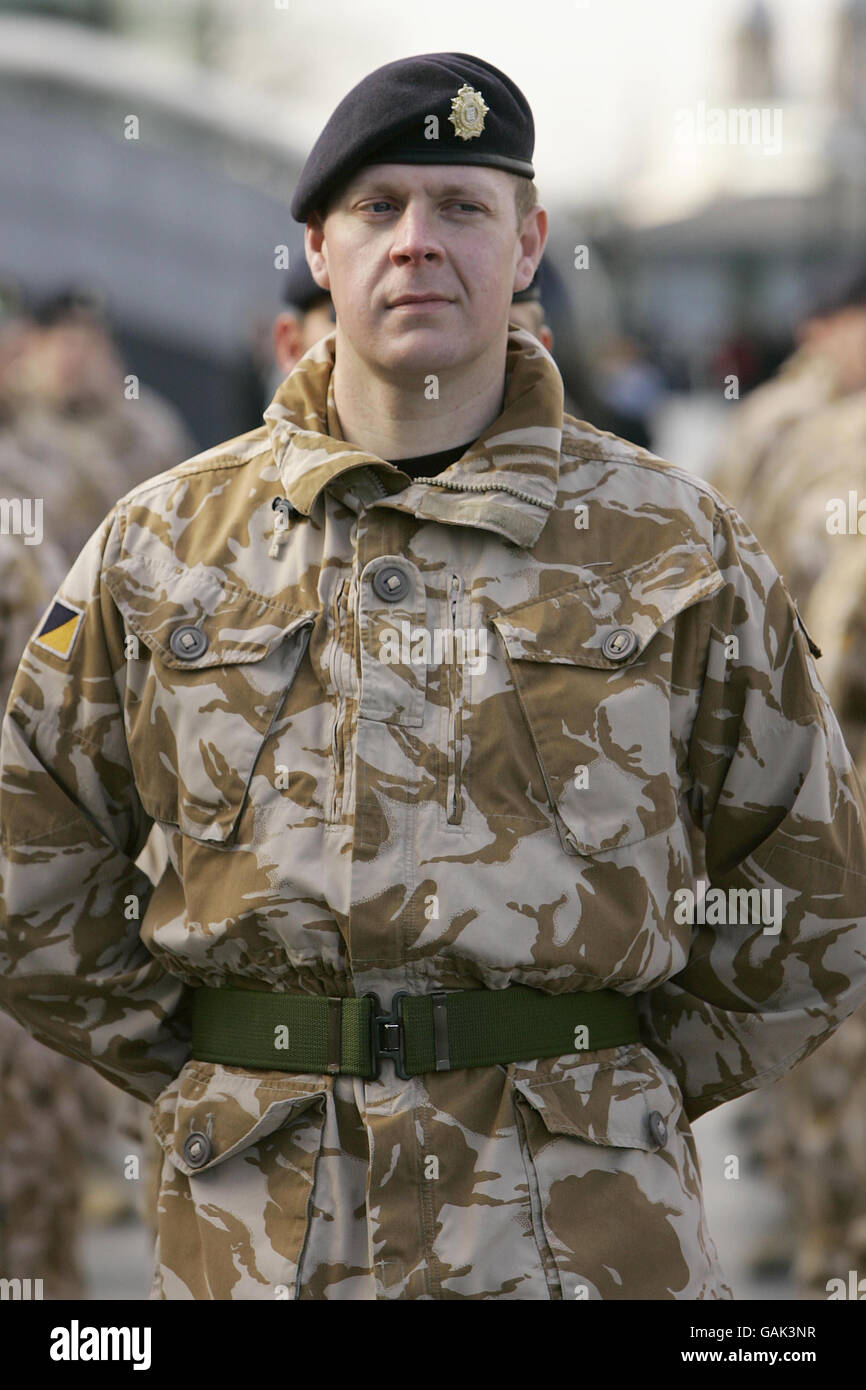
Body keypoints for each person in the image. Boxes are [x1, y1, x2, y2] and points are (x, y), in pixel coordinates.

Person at [1, 51, 865, 1303]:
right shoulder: (164, 543)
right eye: (378, 207)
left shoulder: (674, 543)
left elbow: (810, 883)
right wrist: (232, 1067)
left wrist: (601, 1085)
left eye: (461, 206)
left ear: (526, 244)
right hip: (259, 1226)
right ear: (318, 246)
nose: (417, 242)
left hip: (583, 1232)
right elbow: (31, 866)